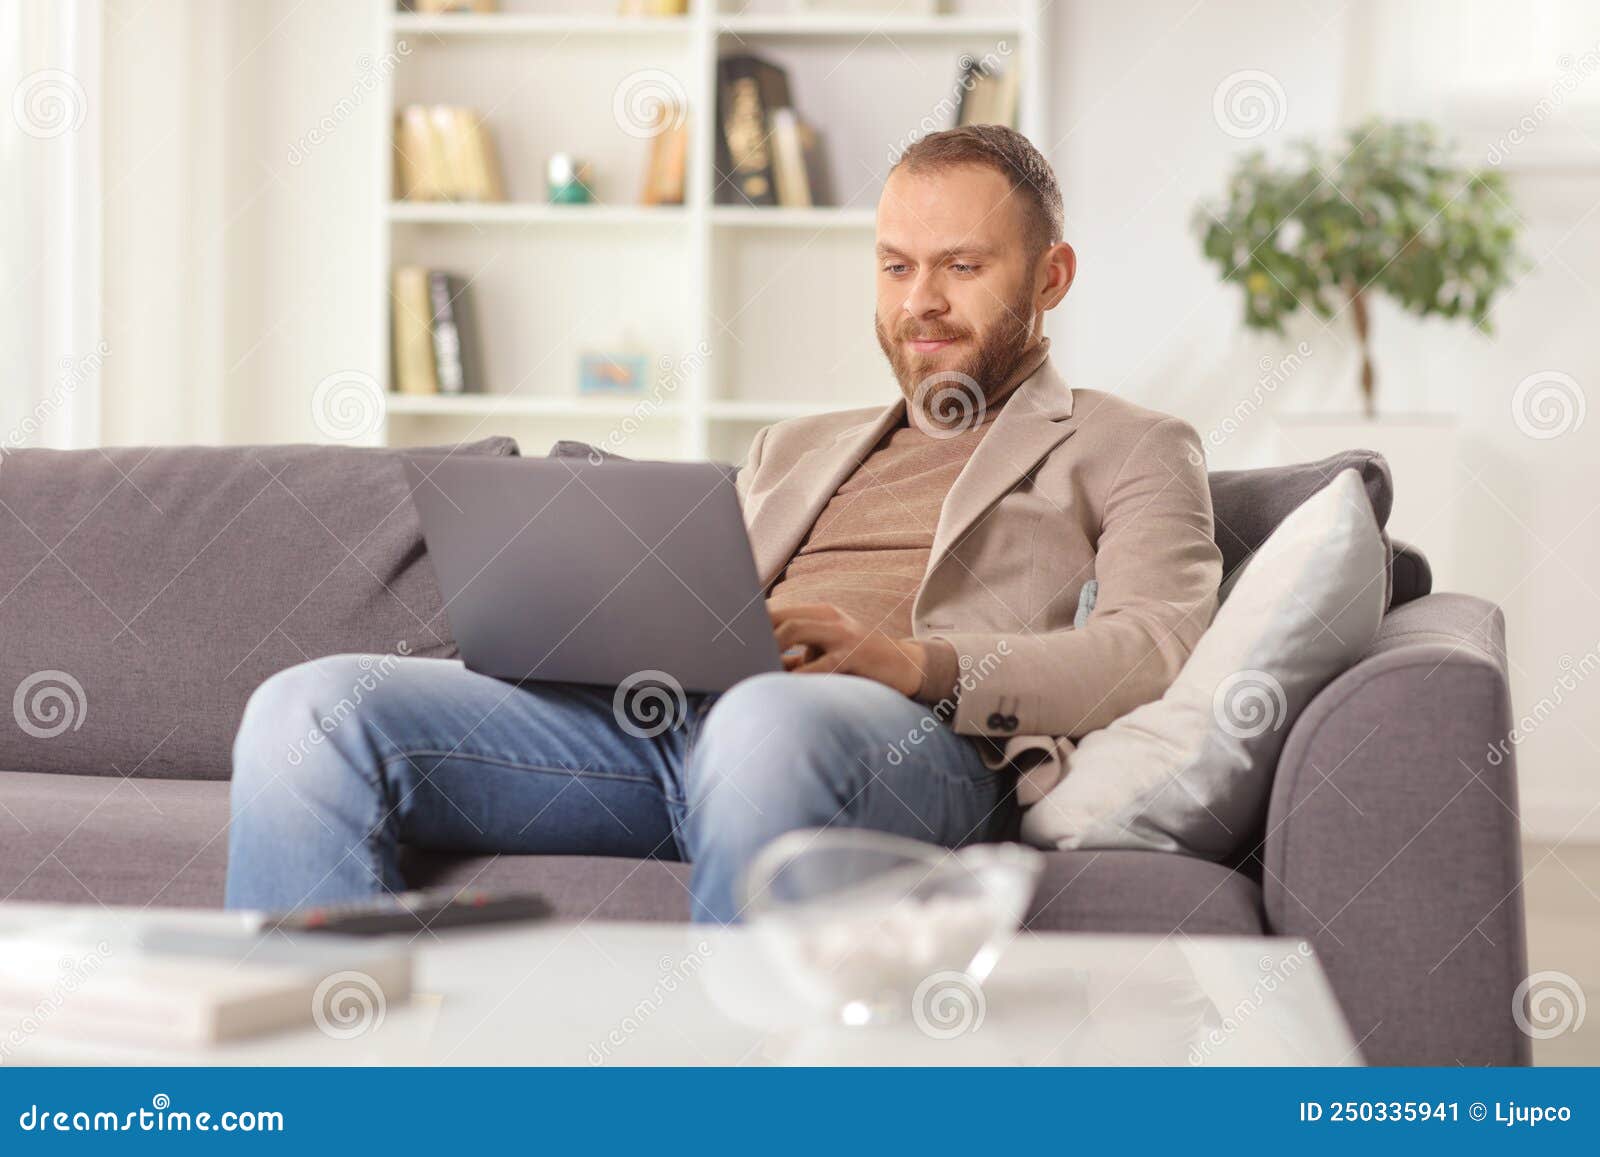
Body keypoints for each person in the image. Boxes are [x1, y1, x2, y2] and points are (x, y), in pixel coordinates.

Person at [224, 124, 1222, 924]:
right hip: (678, 727)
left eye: (960, 265)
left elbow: (1152, 648)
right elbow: (699, 606)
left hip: (910, 745)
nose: (920, 301)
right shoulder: (795, 443)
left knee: (763, 720)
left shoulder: (1132, 443)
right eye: (894, 265)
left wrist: (909, 660)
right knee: (310, 707)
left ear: (1050, 277)